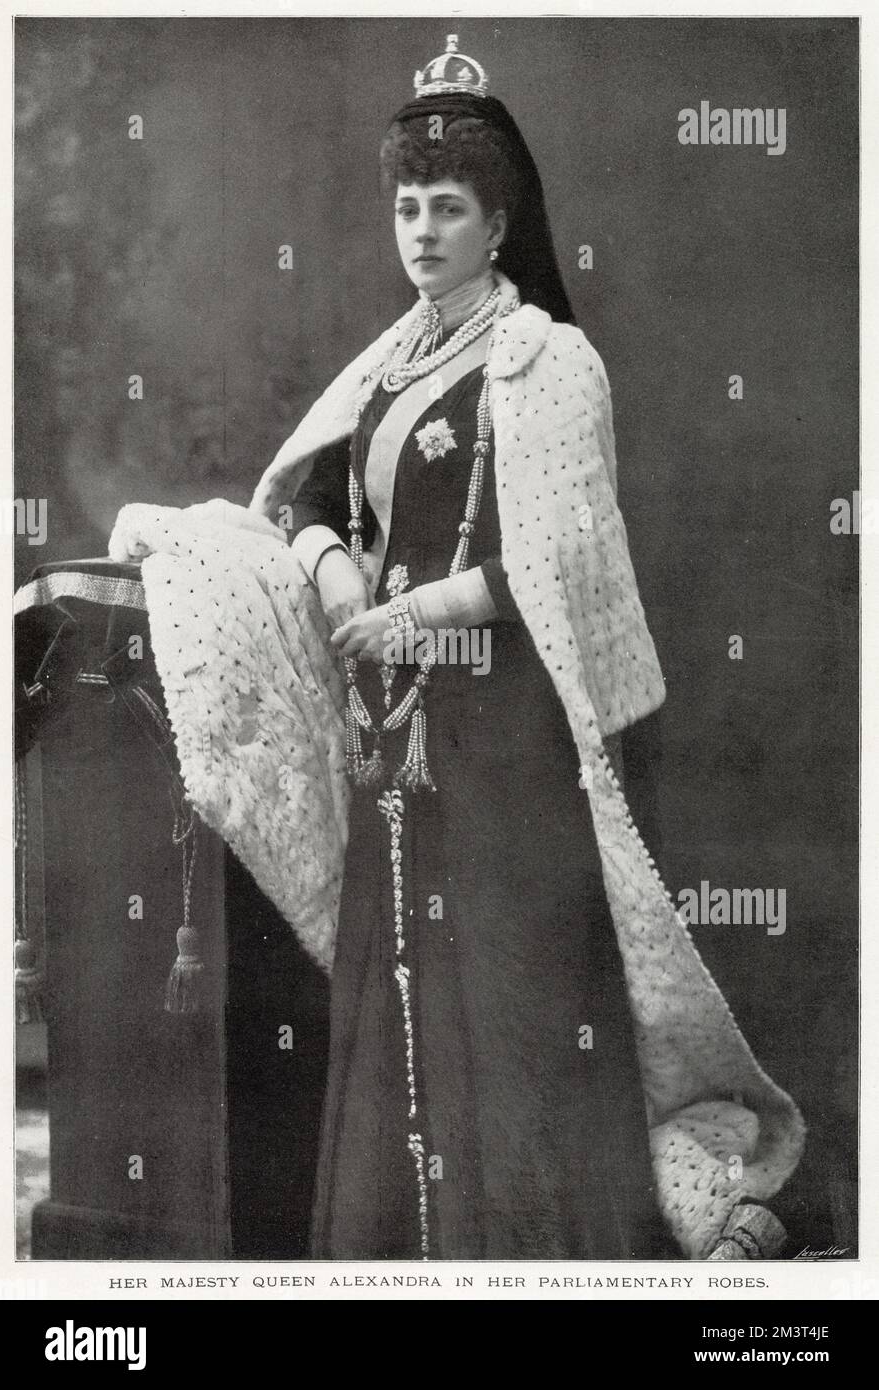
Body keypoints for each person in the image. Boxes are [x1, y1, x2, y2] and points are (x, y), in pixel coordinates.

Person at [244, 36, 804, 1262]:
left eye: (449, 207)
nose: (423, 229)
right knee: (394, 992)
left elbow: (563, 563)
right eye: (406, 205)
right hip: (392, 725)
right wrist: (345, 576)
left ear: (499, 222)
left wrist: (416, 614)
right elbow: (303, 501)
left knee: (504, 1008)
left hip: (508, 740)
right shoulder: (388, 366)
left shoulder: (545, 359)